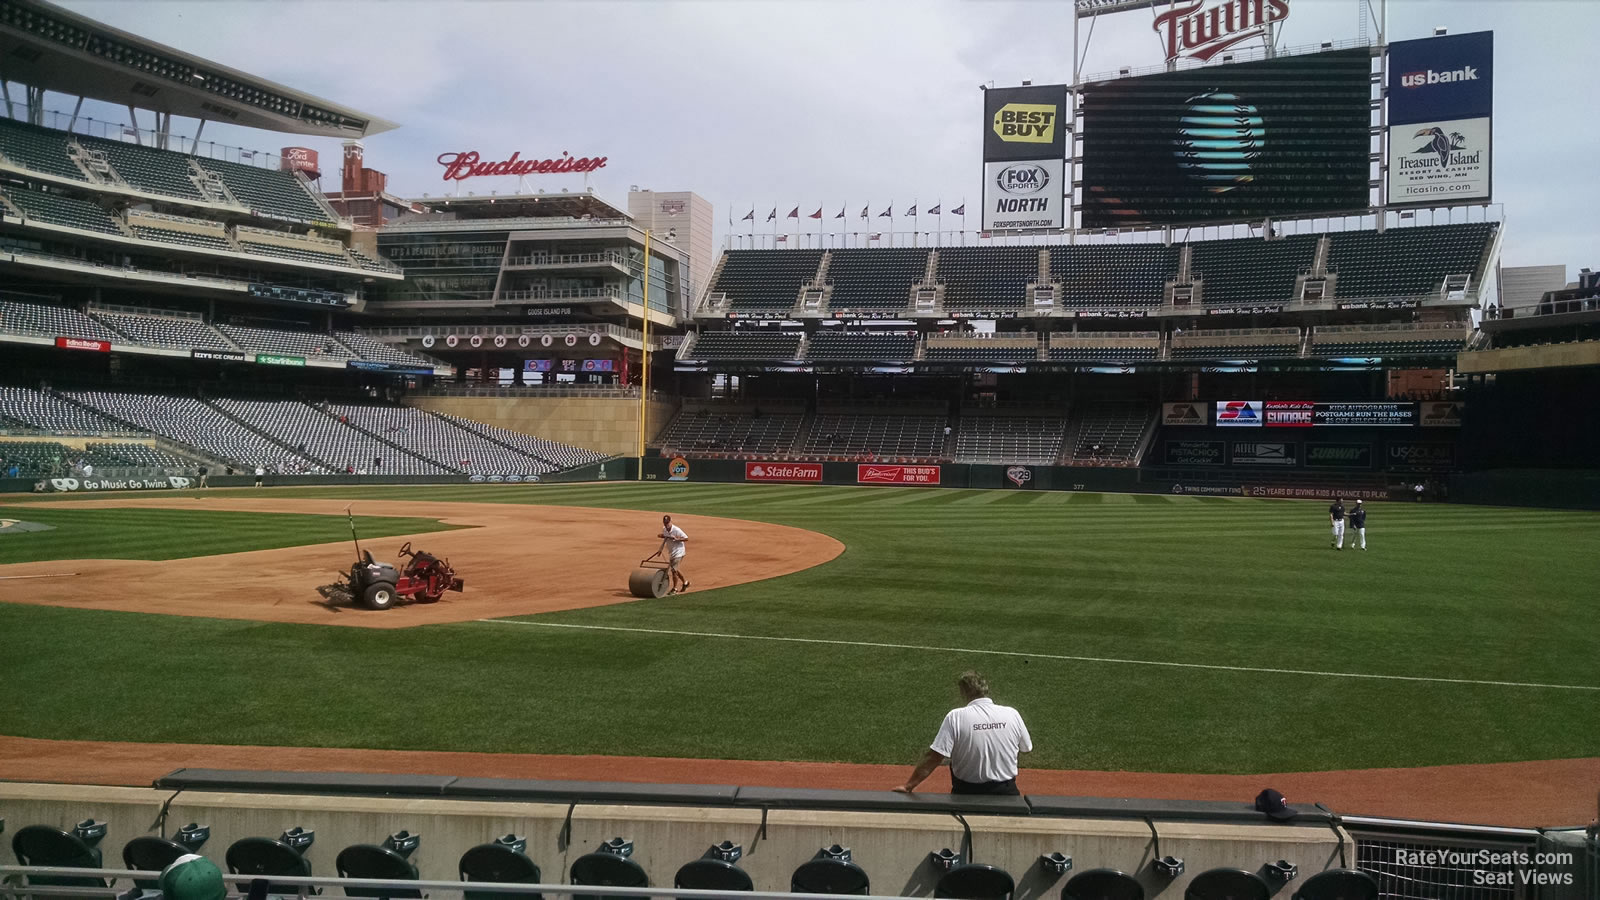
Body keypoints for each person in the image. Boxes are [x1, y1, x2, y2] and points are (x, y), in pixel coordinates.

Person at [895, 671, 1032, 795]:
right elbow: (1026, 748)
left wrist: (909, 786)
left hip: (966, 793)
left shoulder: (955, 717)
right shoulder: (1012, 713)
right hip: (1007, 792)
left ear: (963, 692)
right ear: (986, 690)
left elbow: (935, 756)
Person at [656, 514, 690, 594]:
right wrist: (660, 549)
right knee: (676, 569)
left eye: (667, 523)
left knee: (673, 571)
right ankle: (685, 583)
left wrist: (677, 539)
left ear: (670, 521)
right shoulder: (664, 529)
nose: (666, 524)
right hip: (672, 552)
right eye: (665, 523)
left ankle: (675, 589)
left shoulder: (676, 530)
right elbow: (665, 538)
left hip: (679, 552)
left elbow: (686, 538)